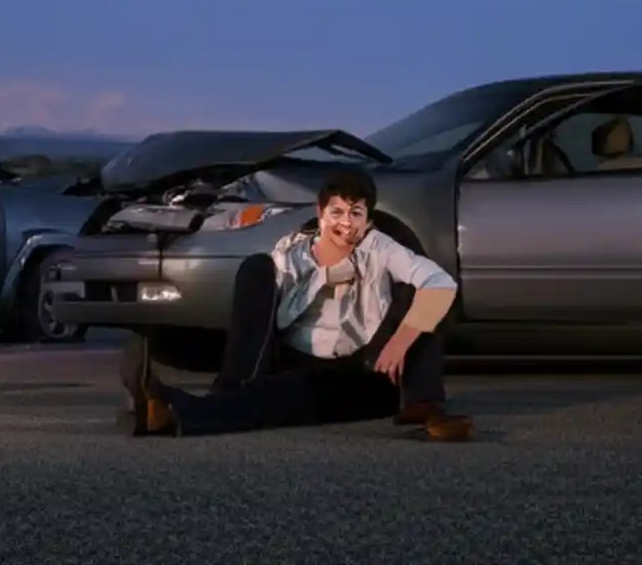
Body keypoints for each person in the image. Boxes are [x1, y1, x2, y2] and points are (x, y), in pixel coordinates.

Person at [120, 168, 475, 440]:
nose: (346, 223)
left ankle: (425, 405)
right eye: (337, 212)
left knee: (422, 298)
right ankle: (199, 397)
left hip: (363, 370)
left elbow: (440, 284)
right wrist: (323, 276)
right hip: (298, 358)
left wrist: (399, 341)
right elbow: (267, 310)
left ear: (368, 218)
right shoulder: (294, 251)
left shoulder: (382, 247)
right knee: (257, 274)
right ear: (321, 213)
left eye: (355, 213)